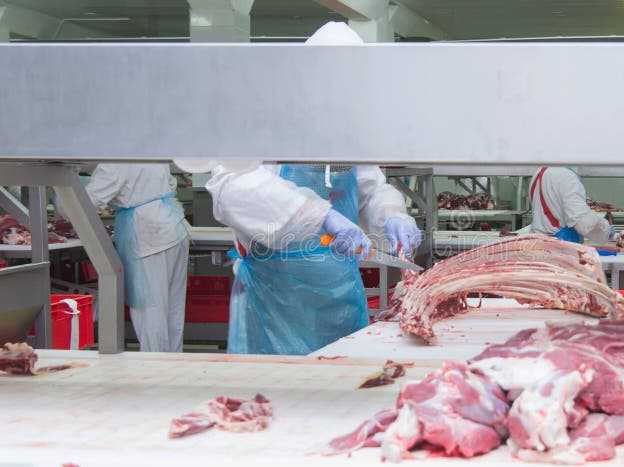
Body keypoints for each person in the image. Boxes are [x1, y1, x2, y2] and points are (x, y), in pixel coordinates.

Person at [205, 23, 422, 356]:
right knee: (271, 400)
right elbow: (233, 188)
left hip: (340, 296)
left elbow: (369, 187)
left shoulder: (347, 130)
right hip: (275, 299)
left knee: (345, 397)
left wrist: (391, 214)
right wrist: (319, 217)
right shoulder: (264, 121)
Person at [57, 164, 190, 352]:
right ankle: (173, 367)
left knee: (150, 313)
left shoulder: (114, 159)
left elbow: (87, 202)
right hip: (173, 227)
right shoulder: (143, 147)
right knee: (172, 312)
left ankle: (155, 370)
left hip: (148, 237)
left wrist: (61, 201)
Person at [529, 167, 614, 244]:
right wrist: (605, 230)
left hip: (538, 244)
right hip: (560, 247)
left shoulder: (539, 172)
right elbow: (582, 222)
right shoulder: (566, 176)